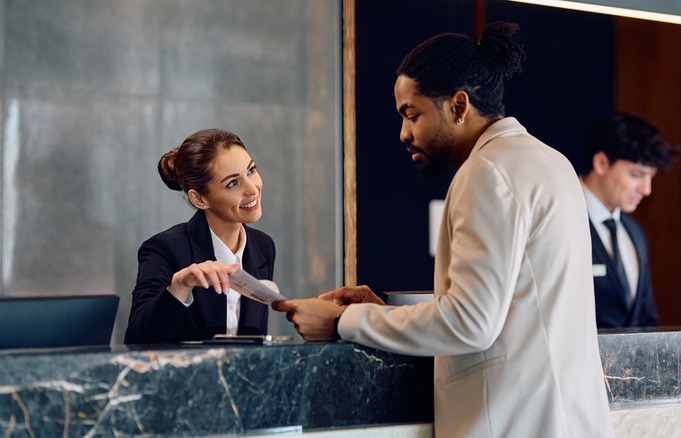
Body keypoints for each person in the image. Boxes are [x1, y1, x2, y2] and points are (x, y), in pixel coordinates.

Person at [274, 22, 614, 437]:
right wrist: (387, 313)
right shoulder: (551, 162)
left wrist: (344, 321)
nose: (403, 133)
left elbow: (471, 323)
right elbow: (512, 307)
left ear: (458, 105)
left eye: (411, 114)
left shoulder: (486, 172)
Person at [125, 129, 276, 344]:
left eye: (251, 170)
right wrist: (179, 286)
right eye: (233, 183)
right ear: (199, 199)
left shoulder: (263, 247)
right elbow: (137, 340)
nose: (253, 189)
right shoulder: (163, 249)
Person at [580, 113, 678, 328]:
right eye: (636, 174)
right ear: (601, 163)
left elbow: (646, 318)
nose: (646, 189)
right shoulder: (562, 220)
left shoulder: (634, 231)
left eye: (650, 177)